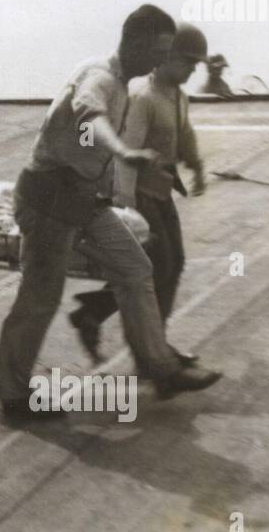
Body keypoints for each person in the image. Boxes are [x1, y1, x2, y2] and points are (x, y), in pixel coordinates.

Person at [0, 6, 221, 419]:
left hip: (83, 202)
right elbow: (88, 119)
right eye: (158, 50)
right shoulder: (99, 77)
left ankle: (160, 369)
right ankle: (14, 395)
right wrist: (124, 152)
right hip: (47, 202)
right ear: (134, 43)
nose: (160, 60)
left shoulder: (124, 84)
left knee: (135, 268)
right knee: (40, 298)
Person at [68, 24, 210, 365]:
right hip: (141, 199)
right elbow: (126, 156)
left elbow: (184, 133)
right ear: (168, 58)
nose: (194, 69)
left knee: (172, 266)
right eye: (189, 61)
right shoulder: (143, 97)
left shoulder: (177, 96)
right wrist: (127, 207)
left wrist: (196, 165)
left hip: (161, 195)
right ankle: (151, 349)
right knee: (153, 270)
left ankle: (96, 315)